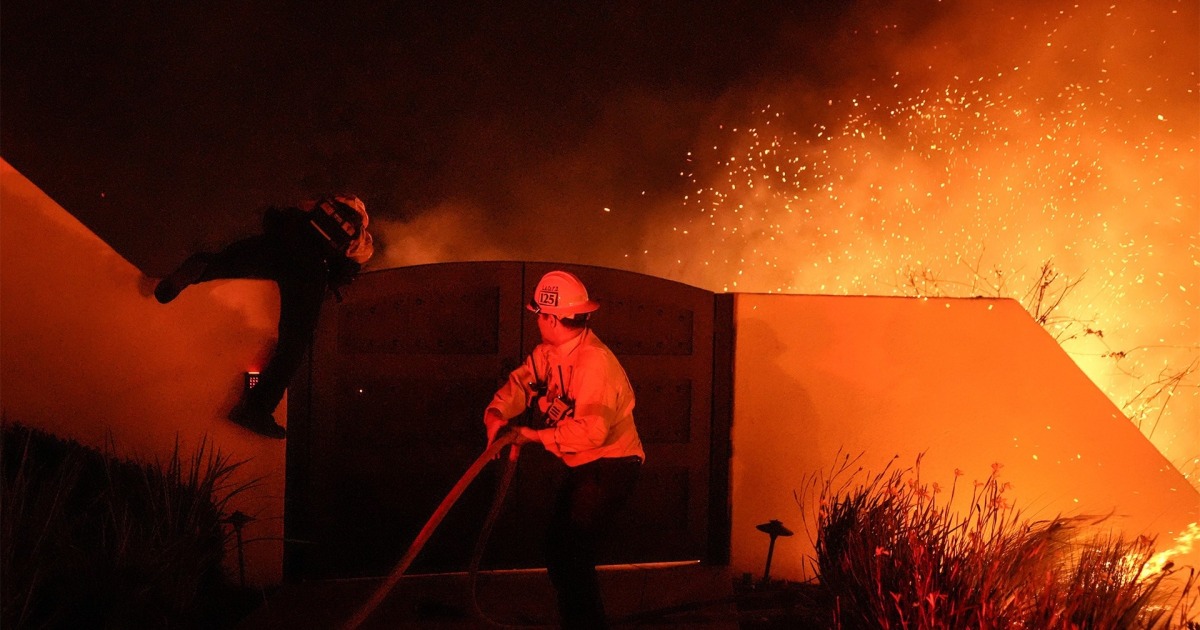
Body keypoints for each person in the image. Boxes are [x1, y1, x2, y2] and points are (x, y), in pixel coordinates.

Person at [484, 270, 644, 630]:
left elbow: (591, 433)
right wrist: (496, 413)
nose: (537, 319)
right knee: (561, 551)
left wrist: (531, 435)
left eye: (539, 313)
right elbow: (522, 384)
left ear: (553, 318)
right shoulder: (552, 353)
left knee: (571, 554)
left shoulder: (594, 363)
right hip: (588, 465)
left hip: (611, 466)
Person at [154, 194, 374, 439]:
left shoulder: (320, 204)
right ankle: (256, 410)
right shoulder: (360, 237)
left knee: (232, 261)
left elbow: (281, 216)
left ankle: (201, 267)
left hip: (279, 245)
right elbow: (348, 268)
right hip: (308, 270)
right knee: (293, 346)